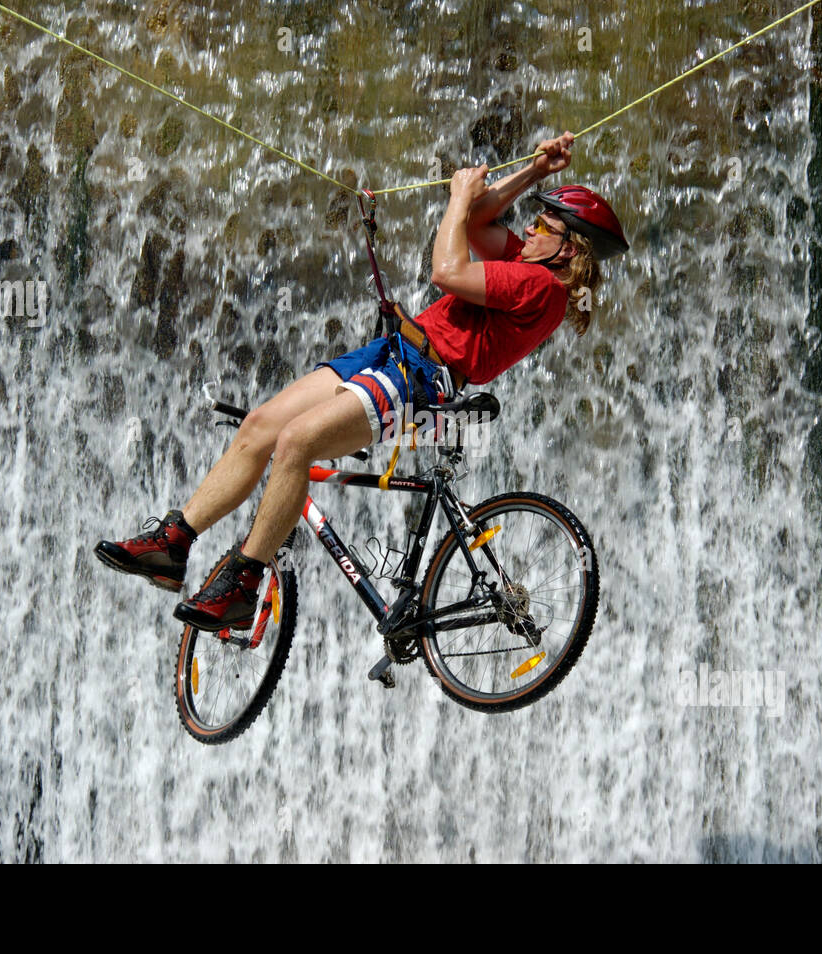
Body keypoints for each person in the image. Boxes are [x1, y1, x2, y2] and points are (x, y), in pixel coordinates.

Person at [94, 130, 629, 632]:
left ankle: (243, 582)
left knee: (296, 443)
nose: (529, 228)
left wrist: (458, 195)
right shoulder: (528, 266)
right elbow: (476, 225)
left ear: (572, 249)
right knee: (261, 427)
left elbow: (446, 269)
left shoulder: (543, 287)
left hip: (421, 377)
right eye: (534, 221)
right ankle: (173, 541)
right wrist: (532, 171)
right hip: (394, 350)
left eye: (543, 226)